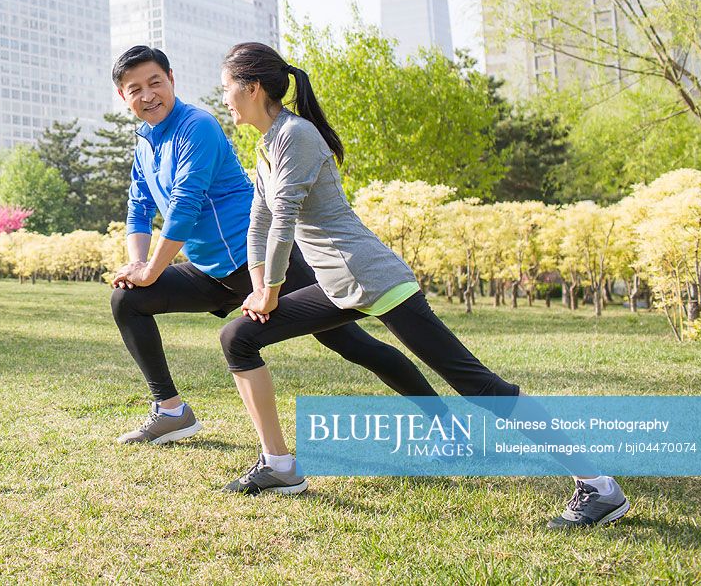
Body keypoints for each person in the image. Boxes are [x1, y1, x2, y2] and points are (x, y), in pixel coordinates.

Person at [216, 41, 630, 528]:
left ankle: (599, 486)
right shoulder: (268, 145)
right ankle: (280, 468)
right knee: (238, 337)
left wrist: (271, 290)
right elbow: (259, 224)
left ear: (253, 87)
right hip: (336, 284)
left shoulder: (297, 136)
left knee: (478, 386)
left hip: (373, 277)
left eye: (227, 88)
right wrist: (260, 284)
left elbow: (284, 220)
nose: (224, 98)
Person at [107, 45, 441, 465]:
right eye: (135, 89)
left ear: (171, 79)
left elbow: (185, 206)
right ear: (124, 97)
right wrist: (138, 266)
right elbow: (138, 207)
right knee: (127, 299)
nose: (148, 94)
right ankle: (172, 412)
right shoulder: (144, 144)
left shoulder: (198, 127)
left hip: (261, 264)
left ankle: (439, 418)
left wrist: (152, 269)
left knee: (352, 343)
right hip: (211, 273)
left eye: (155, 82)